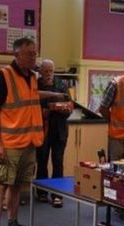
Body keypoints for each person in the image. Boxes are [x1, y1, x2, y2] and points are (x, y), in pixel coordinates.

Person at [0, 37, 64, 226]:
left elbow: (31, 97)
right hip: (8, 144)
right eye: (30, 53)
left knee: (17, 185)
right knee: (0, 184)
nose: (34, 57)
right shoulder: (3, 77)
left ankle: (12, 225)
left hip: (27, 143)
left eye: (35, 53)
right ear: (17, 55)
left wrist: (53, 94)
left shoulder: (31, 77)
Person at [36, 58, 72, 208]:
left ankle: (58, 195)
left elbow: (70, 105)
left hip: (59, 130)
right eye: (46, 71)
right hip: (42, 130)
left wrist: (64, 109)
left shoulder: (61, 85)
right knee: (42, 162)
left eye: (51, 71)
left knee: (58, 162)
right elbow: (30, 107)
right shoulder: (35, 85)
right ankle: (42, 193)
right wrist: (43, 111)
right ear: (41, 71)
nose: (49, 74)